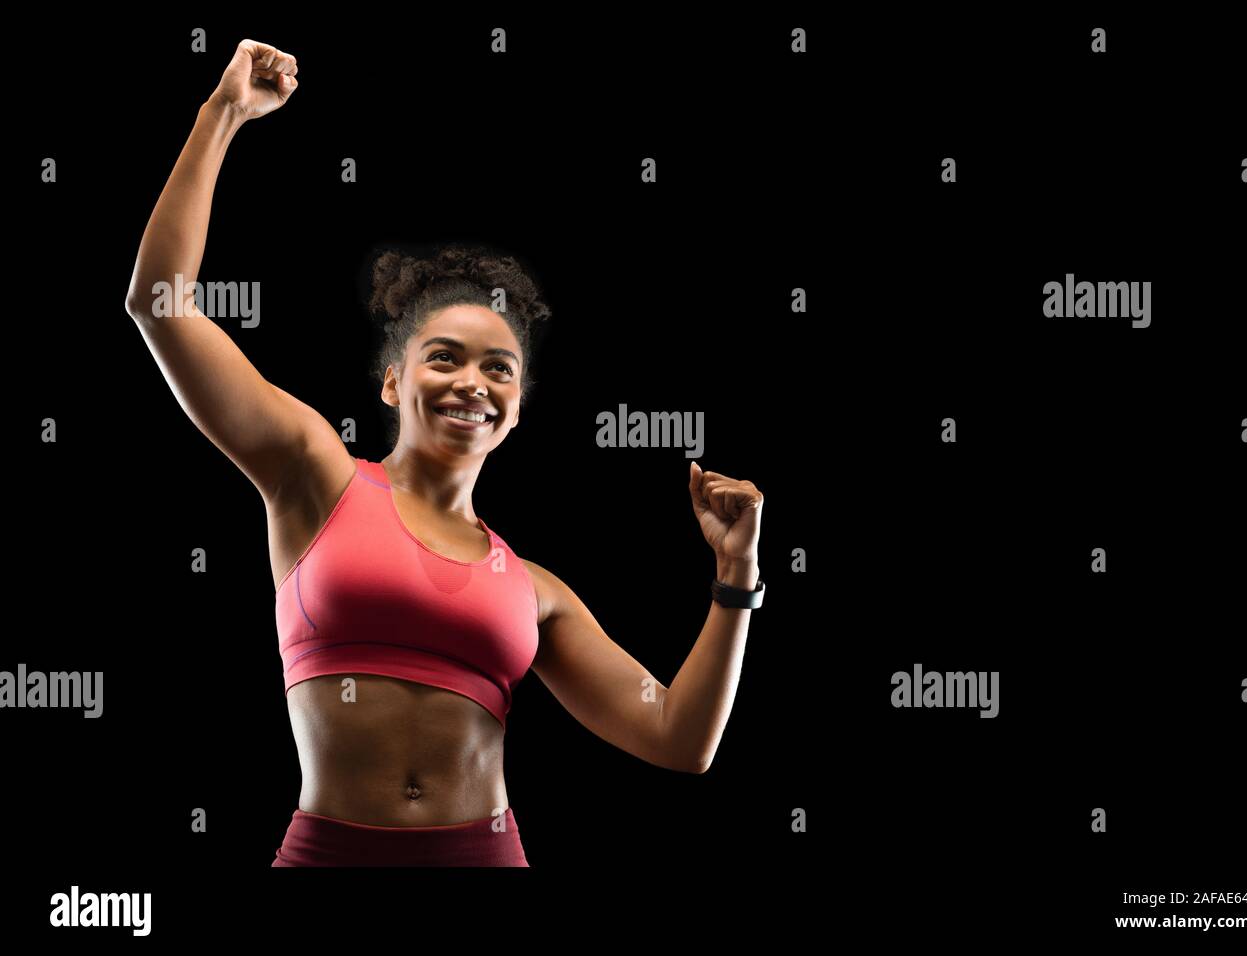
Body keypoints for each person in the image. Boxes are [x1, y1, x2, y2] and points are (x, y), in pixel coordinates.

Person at [124, 38, 766, 866]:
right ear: (393, 383)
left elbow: (680, 738)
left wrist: (737, 573)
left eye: (499, 368)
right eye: (444, 357)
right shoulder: (313, 471)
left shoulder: (534, 591)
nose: (473, 381)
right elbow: (161, 305)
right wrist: (223, 115)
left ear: (515, 413)